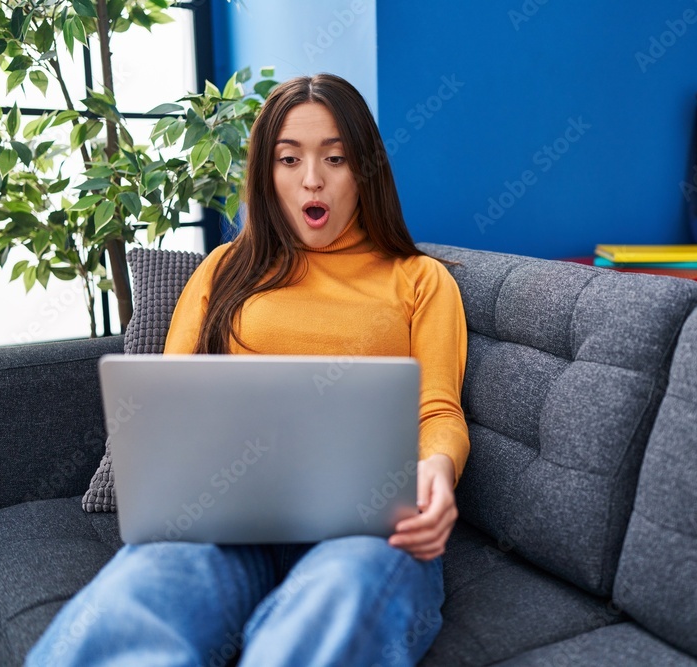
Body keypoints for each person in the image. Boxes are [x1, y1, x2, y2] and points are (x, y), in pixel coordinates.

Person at [26, 73, 470, 666]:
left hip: (369, 532)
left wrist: (437, 472)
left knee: (333, 610)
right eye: (290, 160)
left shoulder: (420, 280)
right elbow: (167, 402)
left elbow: (438, 411)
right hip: (222, 524)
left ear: (365, 169)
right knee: (134, 605)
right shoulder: (222, 270)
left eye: (335, 158)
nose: (313, 179)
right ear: (267, 173)